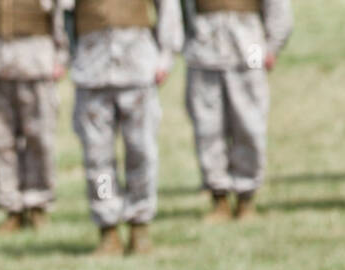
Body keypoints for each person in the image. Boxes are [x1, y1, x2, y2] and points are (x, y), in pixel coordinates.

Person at [70, 0, 183, 255]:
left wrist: (165, 56)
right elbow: (60, 13)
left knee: (141, 153)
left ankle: (139, 226)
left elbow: (168, 8)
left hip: (138, 67)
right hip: (91, 71)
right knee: (98, 160)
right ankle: (108, 230)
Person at [183, 0, 293, 222]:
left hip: (249, 47)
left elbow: (278, 9)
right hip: (204, 49)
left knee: (250, 125)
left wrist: (272, 46)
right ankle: (219, 197)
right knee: (207, 128)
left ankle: (246, 197)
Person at [0, 0, 70, 232]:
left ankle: (38, 205)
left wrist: (63, 57)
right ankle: (11, 208)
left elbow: (62, 14)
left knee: (39, 138)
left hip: (35, 61)